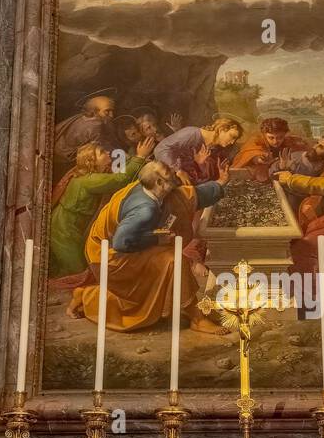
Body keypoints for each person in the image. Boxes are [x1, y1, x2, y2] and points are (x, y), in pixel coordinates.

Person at [70, 160, 227, 333]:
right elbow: (121, 243)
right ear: (159, 183)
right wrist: (157, 240)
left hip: (122, 245)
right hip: (108, 255)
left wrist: (220, 183)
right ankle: (197, 318)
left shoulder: (154, 189)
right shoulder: (145, 210)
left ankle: (85, 296)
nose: (174, 171)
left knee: (178, 202)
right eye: (168, 171)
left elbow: (192, 195)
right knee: (173, 262)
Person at [49, 143, 151, 279]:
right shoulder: (88, 180)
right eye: (102, 152)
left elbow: (120, 179)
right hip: (62, 231)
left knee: (76, 270)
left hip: (70, 229)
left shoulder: (90, 177)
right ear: (91, 160)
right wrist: (140, 157)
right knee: (78, 273)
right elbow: (120, 180)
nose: (107, 153)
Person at [53, 92, 122, 179]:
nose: (111, 115)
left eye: (112, 111)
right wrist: (125, 159)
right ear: (94, 111)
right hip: (68, 163)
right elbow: (106, 149)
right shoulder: (95, 126)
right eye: (107, 111)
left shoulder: (81, 118)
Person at [154, 118, 243, 184]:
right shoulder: (192, 134)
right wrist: (178, 170)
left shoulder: (215, 148)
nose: (232, 142)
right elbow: (161, 149)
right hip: (168, 180)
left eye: (235, 140)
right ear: (221, 130)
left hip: (189, 184)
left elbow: (202, 174)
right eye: (232, 137)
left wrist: (199, 163)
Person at [232, 117, 307, 181]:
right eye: (271, 138)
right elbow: (251, 154)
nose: (275, 141)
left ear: (285, 135)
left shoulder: (290, 141)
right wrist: (260, 159)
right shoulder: (256, 141)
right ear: (264, 135)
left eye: (280, 137)